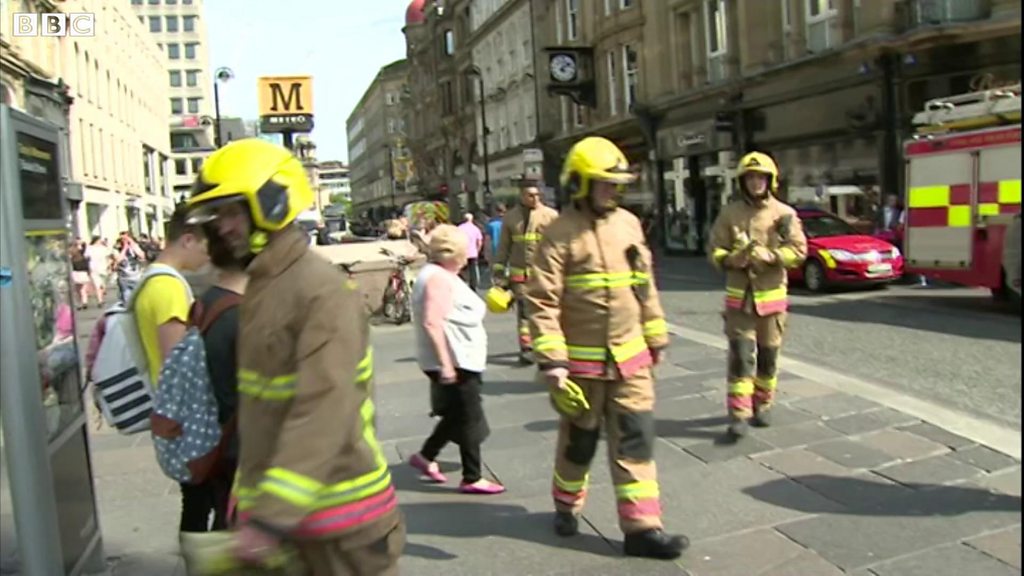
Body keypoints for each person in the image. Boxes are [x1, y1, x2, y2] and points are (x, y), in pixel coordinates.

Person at [185, 138, 405, 574]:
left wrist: (268, 517)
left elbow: (324, 408)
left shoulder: (317, 290)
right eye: (218, 215)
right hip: (292, 528)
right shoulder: (266, 285)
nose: (222, 227)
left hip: (341, 533)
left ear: (271, 203)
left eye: (232, 211)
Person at [526, 136, 687, 560]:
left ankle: (642, 529)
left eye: (618, 184)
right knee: (579, 443)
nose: (614, 190)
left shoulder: (629, 225)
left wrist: (656, 336)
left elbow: (643, 284)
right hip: (581, 370)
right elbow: (542, 300)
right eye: (604, 183)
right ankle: (566, 504)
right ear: (579, 183)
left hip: (631, 361)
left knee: (636, 441)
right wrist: (553, 361)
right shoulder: (558, 234)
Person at [708, 151, 808, 439]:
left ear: (770, 180)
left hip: (772, 301)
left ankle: (763, 405)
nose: (755, 183)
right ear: (743, 182)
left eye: (760, 178)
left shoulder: (784, 213)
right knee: (740, 358)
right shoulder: (729, 214)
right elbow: (714, 250)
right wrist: (730, 260)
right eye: (750, 178)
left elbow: (800, 251)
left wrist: (773, 256)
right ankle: (738, 414)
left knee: (768, 357)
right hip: (740, 302)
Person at [407, 224, 505, 495]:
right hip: (457, 360)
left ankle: (426, 456)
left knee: (456, 414)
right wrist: (446, 364)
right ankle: (472, 477)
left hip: (459, 358)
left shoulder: (438, 274)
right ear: (452, 254)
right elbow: (432, 322)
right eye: (465, 252)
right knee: (469, 417)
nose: (468, 257)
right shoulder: (438, 278)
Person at [493, 179, 558, 364]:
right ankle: (527, 348)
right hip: (519, 275)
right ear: (521, 195)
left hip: (545, 273)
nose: (535, 198)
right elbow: (504, 247)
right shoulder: (511, 218)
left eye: (538, 194)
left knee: (548, 311)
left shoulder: (550, 215)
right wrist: (498, 272)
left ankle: (549, 347)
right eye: (531, 195)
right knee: (524, 314)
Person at [457, 212, 484, 290]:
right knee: (473, 271)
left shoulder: (459, 228)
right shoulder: (475, 228)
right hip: (473, 253)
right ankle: (473, 286)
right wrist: (478, 250)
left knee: (460, 269)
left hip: (462, 252)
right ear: (472, 219)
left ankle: (462, 283)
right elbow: (479, 242)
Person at [85, 236, 111, 304]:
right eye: (99, 240)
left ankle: (101, 297)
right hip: (96, 268)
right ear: (96, 240)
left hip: (102, 267)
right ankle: (100, 300)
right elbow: (86, 257)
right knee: (98, 285)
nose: (100, 241)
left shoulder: (102, 248)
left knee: (102, 284)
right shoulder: (90, 248)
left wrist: (109, 265)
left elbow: (108, 256)